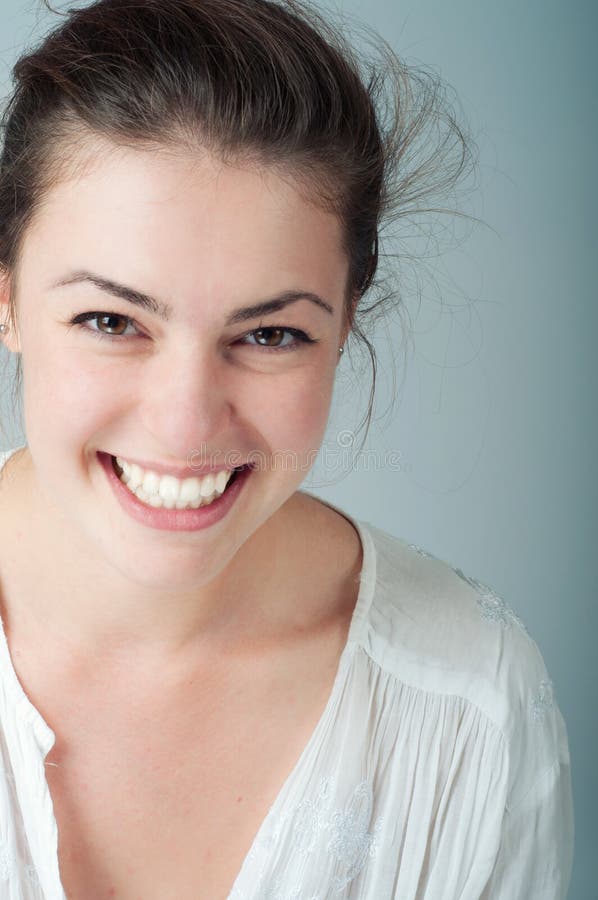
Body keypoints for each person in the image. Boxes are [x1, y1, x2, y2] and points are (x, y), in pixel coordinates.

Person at [0, 0, 574, 897]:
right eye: (111, 320)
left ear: (345, 324)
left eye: (270, 335)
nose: (186, 425)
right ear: (6, 299)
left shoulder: (469, 706)